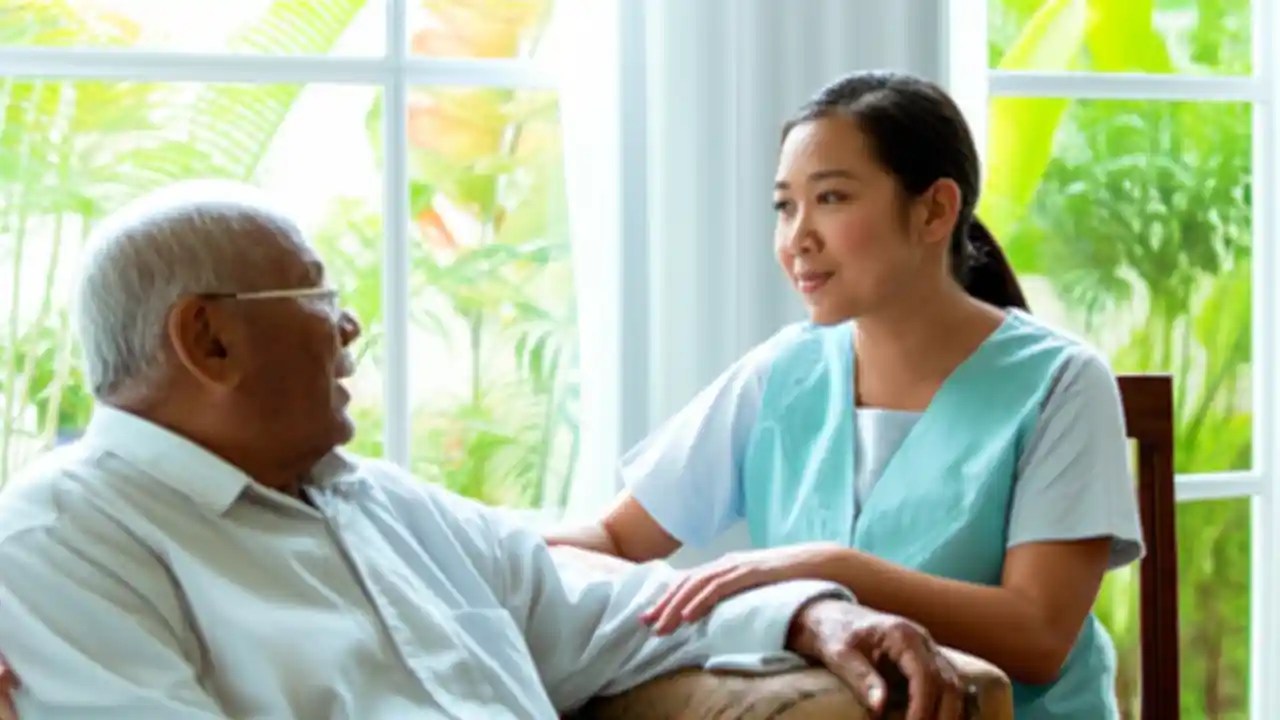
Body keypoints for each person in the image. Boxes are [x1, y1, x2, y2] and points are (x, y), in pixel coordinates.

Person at [0, 182, 968, 719]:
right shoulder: (60, 544)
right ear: (208, 339)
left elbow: (606, 610)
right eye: (319, 298)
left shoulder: (378, 500)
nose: (348, 329)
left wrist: (813, 616)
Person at [545, 70, 1145, 719]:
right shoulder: (781, 374)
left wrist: (828, 570)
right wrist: (497, 553)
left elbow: (1038, 637)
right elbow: (609, 540)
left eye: (830, 198)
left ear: (934, 211)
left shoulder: (1062, 383)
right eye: (785, 206)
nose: (797, 237)